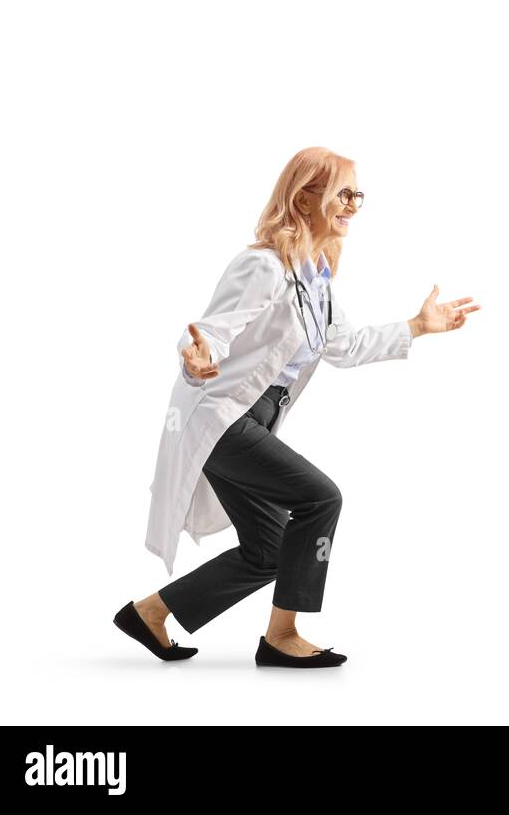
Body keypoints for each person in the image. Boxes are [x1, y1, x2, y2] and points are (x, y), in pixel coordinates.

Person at [113, 146, 481, 668]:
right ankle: (282, 636)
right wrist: (196, 359)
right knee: (320, 499)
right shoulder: (262, 266)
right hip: (221, 416)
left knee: (268, 548)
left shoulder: (318, 280)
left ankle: (149, 613)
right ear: (304, 196)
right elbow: (212, 332)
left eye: (359, 195)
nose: (353, 205)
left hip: (258, 418)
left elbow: (344, 348)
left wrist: (418, 326)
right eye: (342, 193)